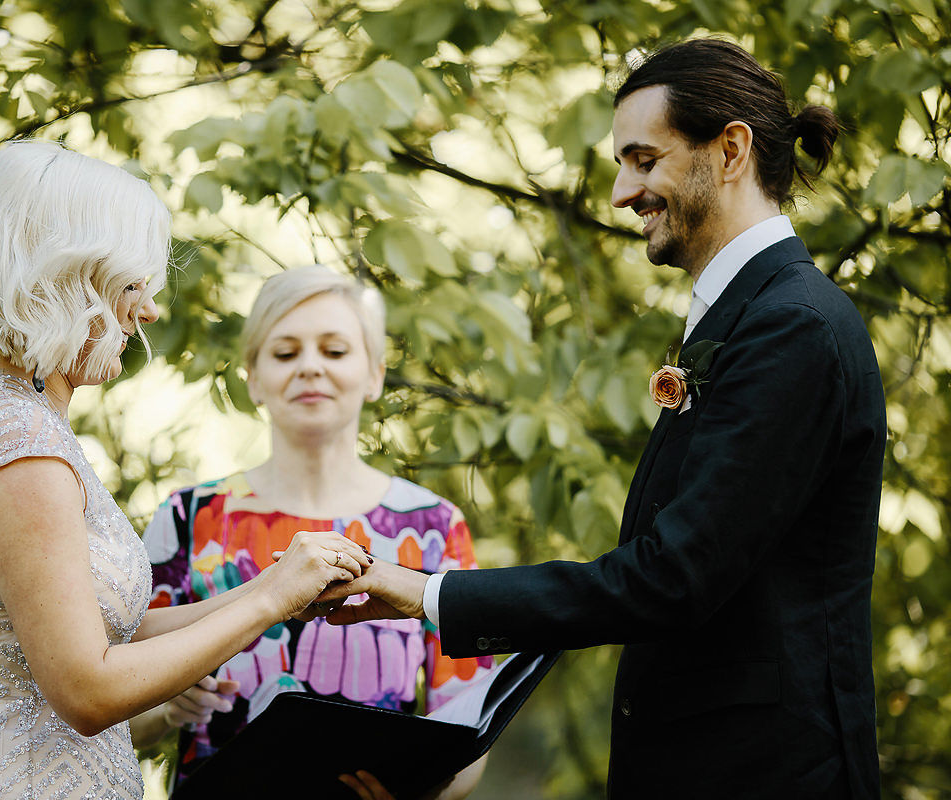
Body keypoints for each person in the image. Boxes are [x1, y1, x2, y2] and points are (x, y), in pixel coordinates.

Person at [326, 38, 886, 799]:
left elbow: (672, 577)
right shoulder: (748, 315)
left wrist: (429, 593)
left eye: (644, 159)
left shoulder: (794, 326)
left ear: (730, 150)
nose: (622, 192)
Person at [0, 141, 371, 800]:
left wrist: (284, 589)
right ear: (65, 280)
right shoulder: (12, 438)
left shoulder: (12, 419)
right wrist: (269, 599)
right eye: (131, 285)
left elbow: (116, 634)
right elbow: (88, 689)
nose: (147, 311)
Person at [133, 265, 494, 799]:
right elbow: (107, 707)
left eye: (335, 350)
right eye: (285, 353)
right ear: (254, 377)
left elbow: (470, 733)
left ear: (374, 374)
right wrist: (166, 710)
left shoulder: (435, 528)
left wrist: (415, 792)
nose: (310, 368)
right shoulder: (189, 519)